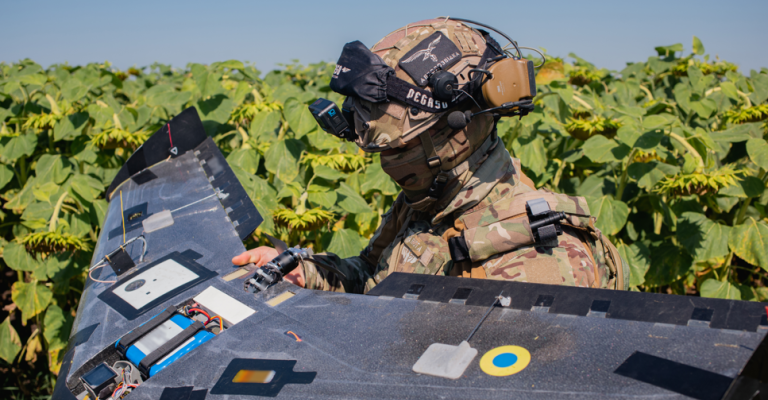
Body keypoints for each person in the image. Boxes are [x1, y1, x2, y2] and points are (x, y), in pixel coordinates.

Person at [232, 18, 629, 293]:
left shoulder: (540, 262)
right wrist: (305, 271)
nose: (389, 165)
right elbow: (371, 275)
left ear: (457, 133)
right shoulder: (430, 202)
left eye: (402, 148)